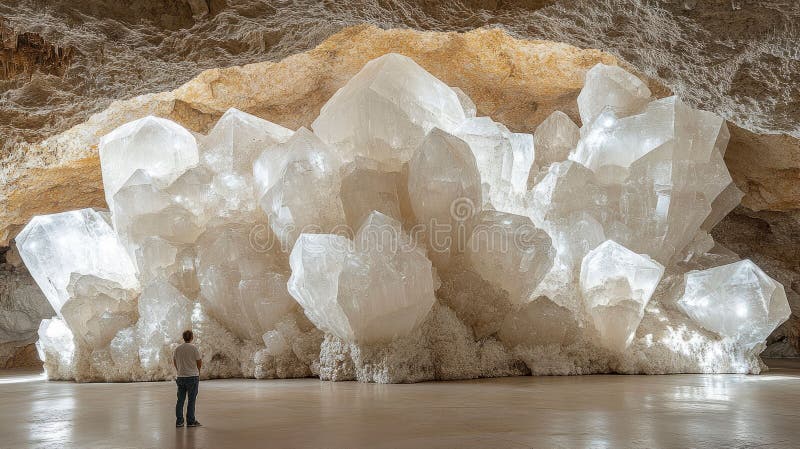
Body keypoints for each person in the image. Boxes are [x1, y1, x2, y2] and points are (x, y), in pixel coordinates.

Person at [173, 329, 202, 428]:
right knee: (191, 400)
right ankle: (190, 421)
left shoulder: (178, 349)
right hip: (192, 377)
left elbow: (174, 361)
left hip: (181, 377)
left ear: (183, 337)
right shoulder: (194, 348)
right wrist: (197, 371)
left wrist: (179, 370)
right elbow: (199, 361)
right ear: (192, 337)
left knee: (180, 400)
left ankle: (179, 421)